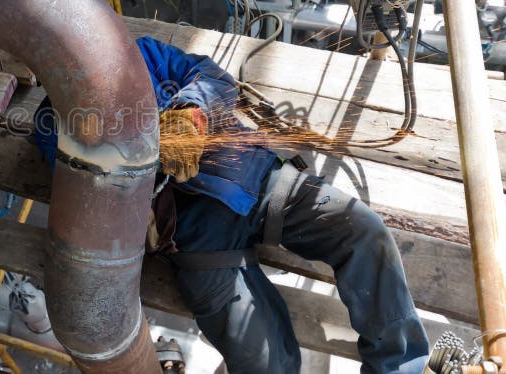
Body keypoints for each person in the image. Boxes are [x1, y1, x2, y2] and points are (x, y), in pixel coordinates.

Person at [35, 35, 429, 374]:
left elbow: (212, 77)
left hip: (257, 181)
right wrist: (140, 161)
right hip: (198, 240)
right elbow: (95, 204)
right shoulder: (53, 126)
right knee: (265, 365)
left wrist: (190, 113)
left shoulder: (141, 55)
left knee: (361, 230)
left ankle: (398, 366)